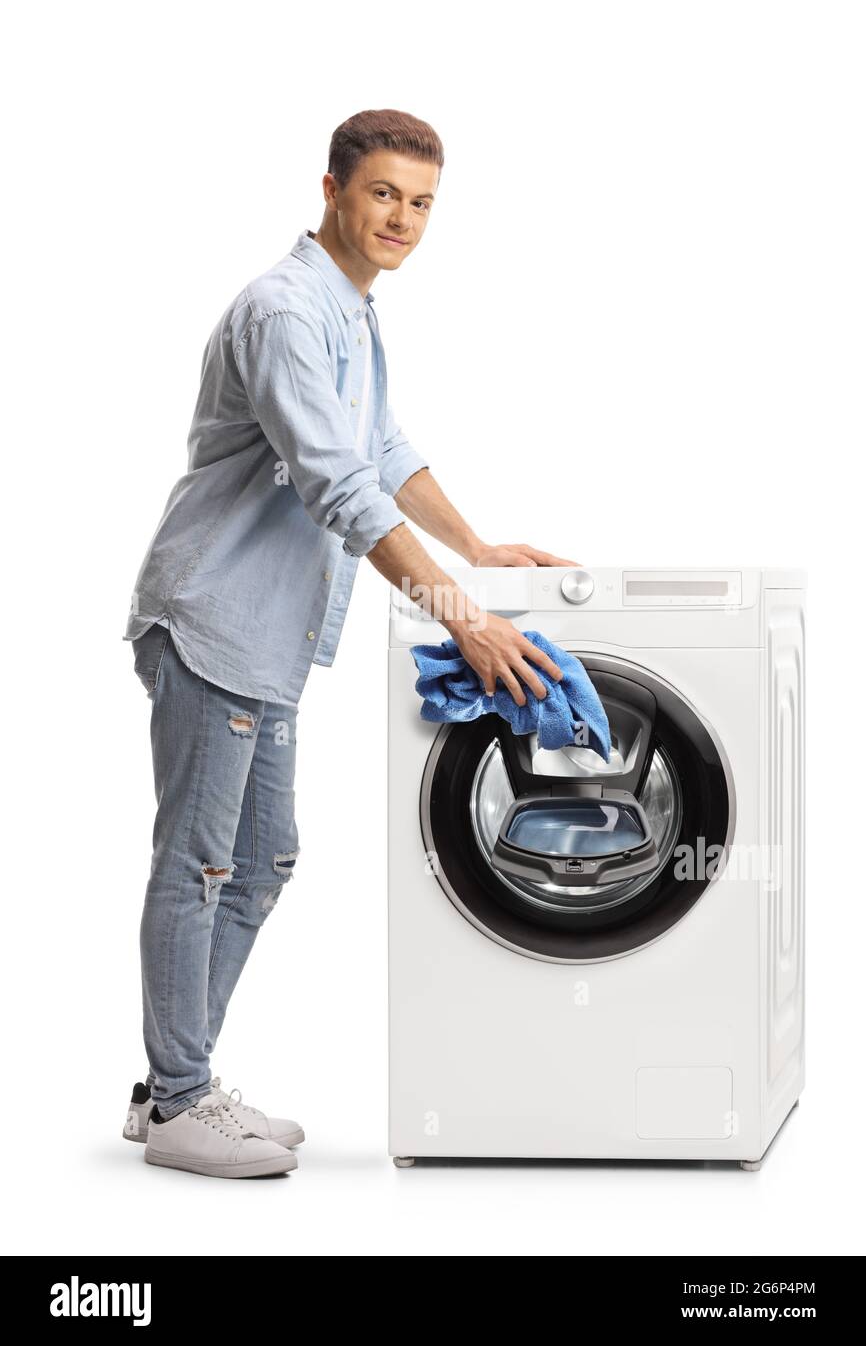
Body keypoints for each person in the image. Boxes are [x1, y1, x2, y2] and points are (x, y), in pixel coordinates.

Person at [122, 107, 578, 1179]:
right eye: (382, 194)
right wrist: (462, 617)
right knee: (200, 864)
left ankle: (172, 1088)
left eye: (421, 203)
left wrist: (476, 549)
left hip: (267, 635)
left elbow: (382, 449)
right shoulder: (287, 311)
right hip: (214, 619)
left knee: (262, 861)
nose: (402, 219)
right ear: (330, 190)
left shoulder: (352, 313)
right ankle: (181, 1099)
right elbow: (339, 486)